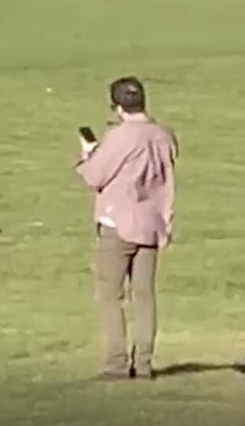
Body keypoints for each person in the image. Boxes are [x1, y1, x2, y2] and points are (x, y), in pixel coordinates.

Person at [75, 76, 179, 381]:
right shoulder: (164, 135)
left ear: (117, 106)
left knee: (110, 296)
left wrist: (88, 153)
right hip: (153, 223)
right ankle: (144, 364)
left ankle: (116, 364)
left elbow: (94, 176)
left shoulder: (120, 137)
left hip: (118, 224)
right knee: (145, 296)